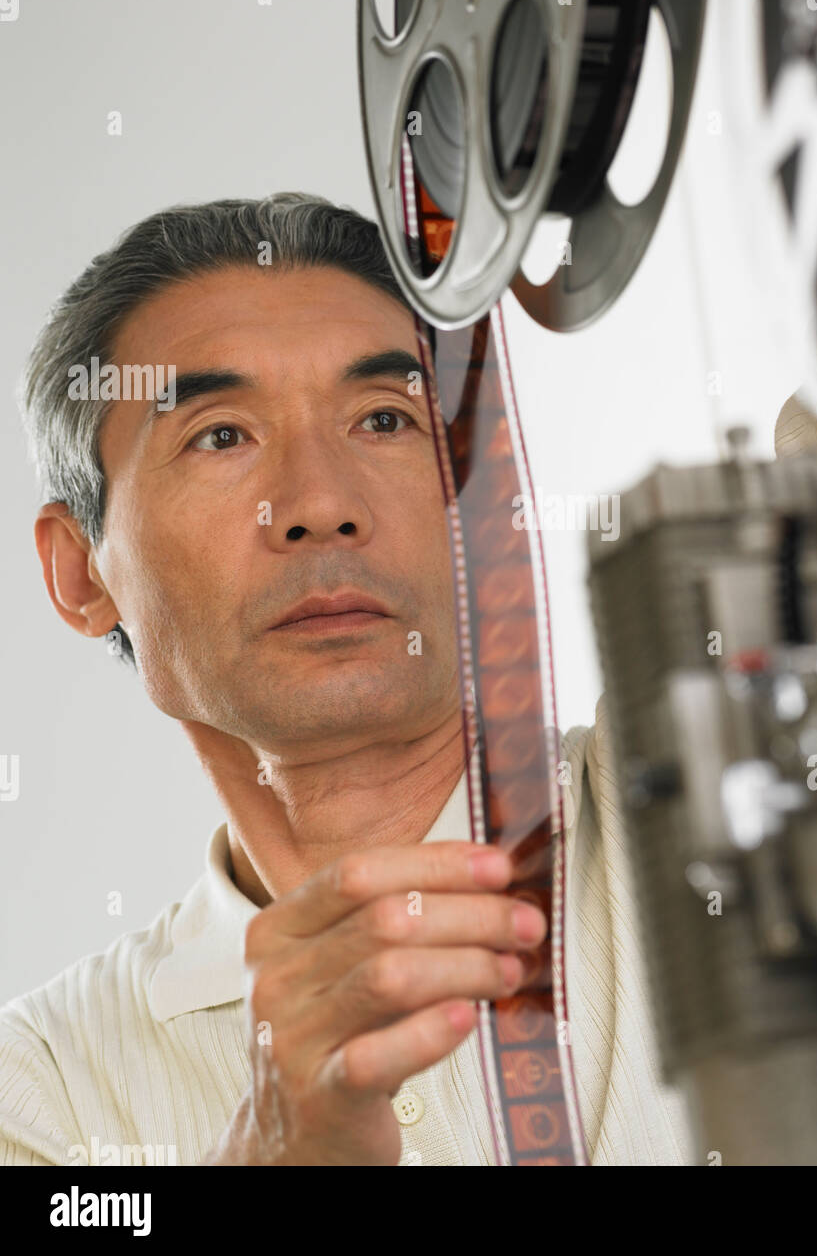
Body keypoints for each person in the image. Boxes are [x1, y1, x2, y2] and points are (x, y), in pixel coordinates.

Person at [1, 194, 692, 1166]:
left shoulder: (709, 780)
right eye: (220, 435)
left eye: (384, 417)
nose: (319, 504)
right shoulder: (43, 1091)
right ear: (81, 574)